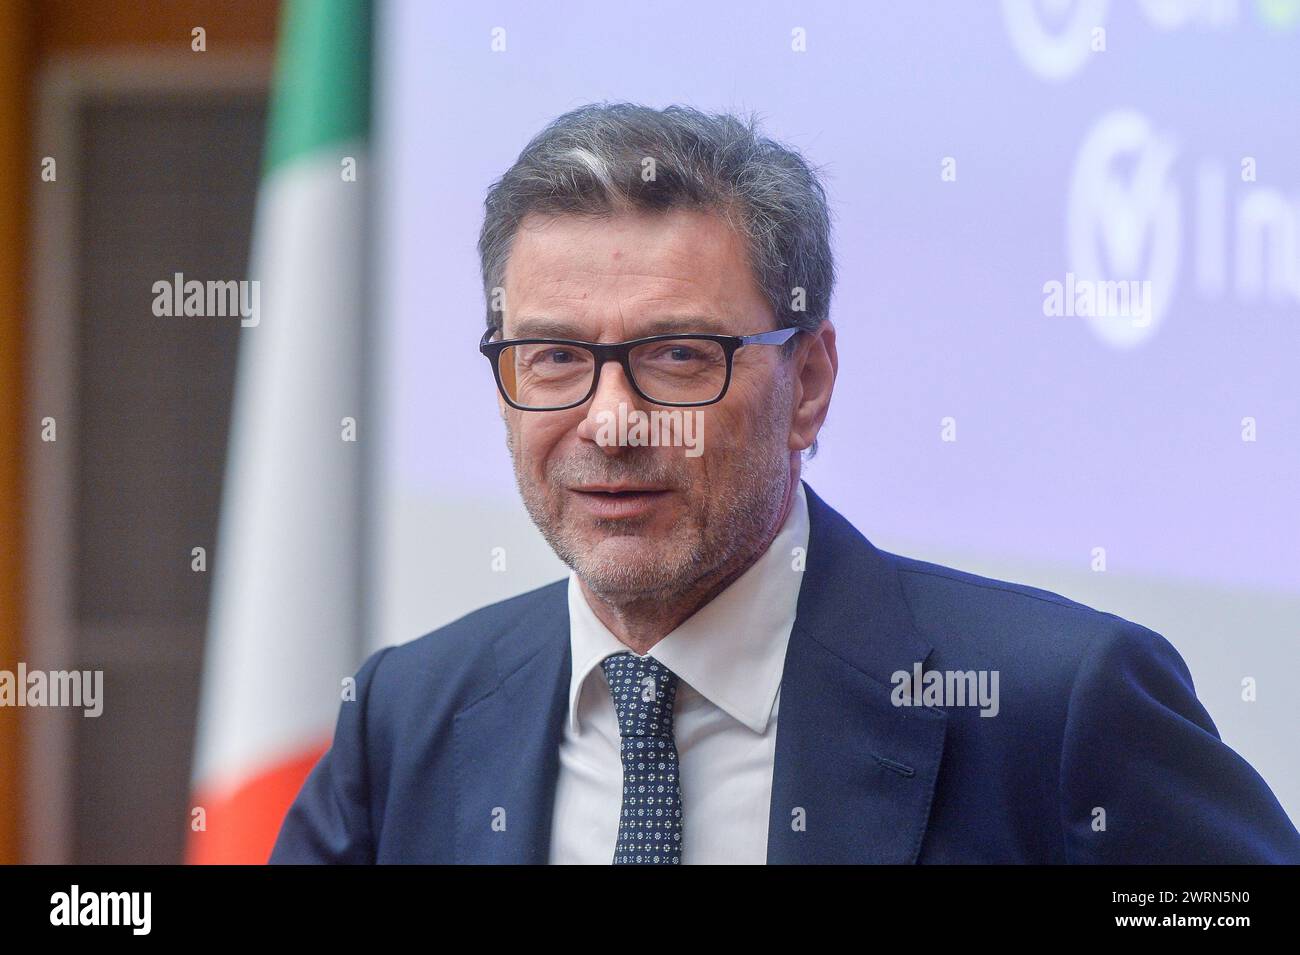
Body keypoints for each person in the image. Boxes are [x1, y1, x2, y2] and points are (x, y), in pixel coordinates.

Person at [270, 103, 1300, 864]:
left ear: (806, 384)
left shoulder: (1058, 708)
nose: (612, 421)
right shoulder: (409, 717)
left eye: (678, 356)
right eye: (551, 358)